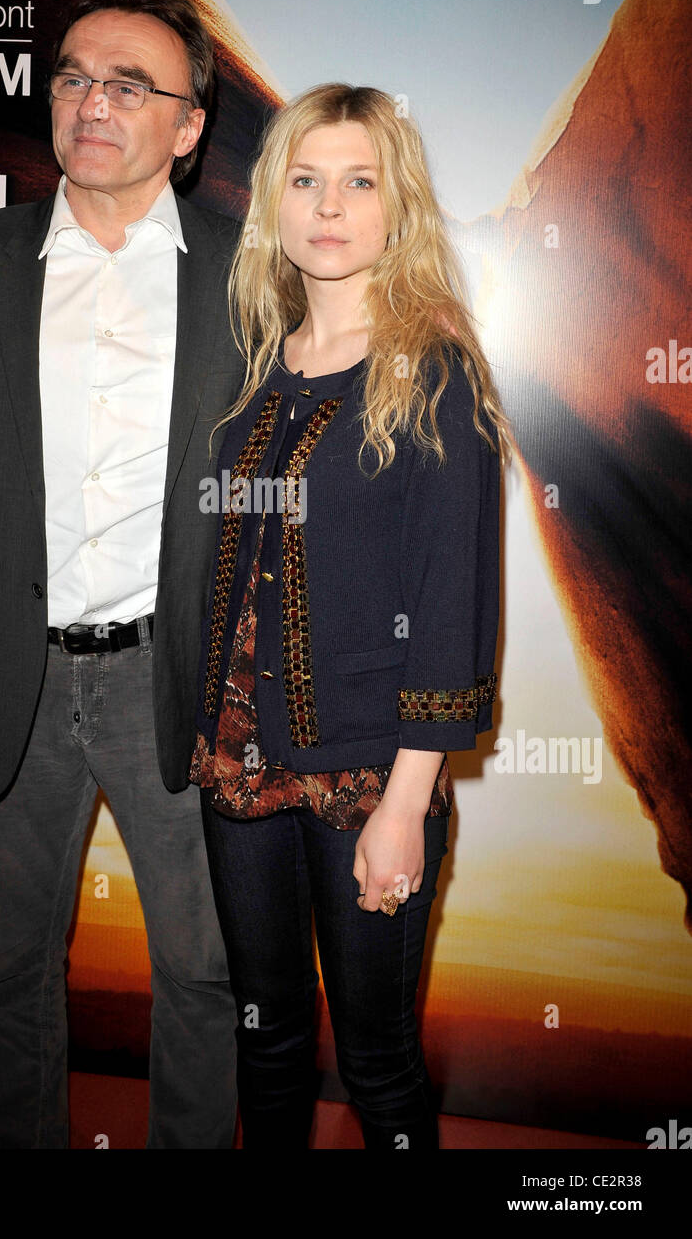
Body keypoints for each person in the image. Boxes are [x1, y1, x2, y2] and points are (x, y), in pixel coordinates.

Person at [0, 0, 244, 1149]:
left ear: (186, 130)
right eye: (76, 75)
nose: (92, 99)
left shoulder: (249, 274)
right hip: (4, 676)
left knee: (200, 969)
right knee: (7, 970)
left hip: (173, 680)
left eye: (129, 83)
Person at [188, 83, 510, 1150]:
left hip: (369, 771)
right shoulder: (253, 371)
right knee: (267, 1037)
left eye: (358, 181)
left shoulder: (433, 371)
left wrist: (405, 803)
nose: (328, 206)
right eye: (305, 179)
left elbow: (453, 597)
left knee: (376, 1063)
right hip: (239, 764)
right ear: (275, 203)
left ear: (395, 207)